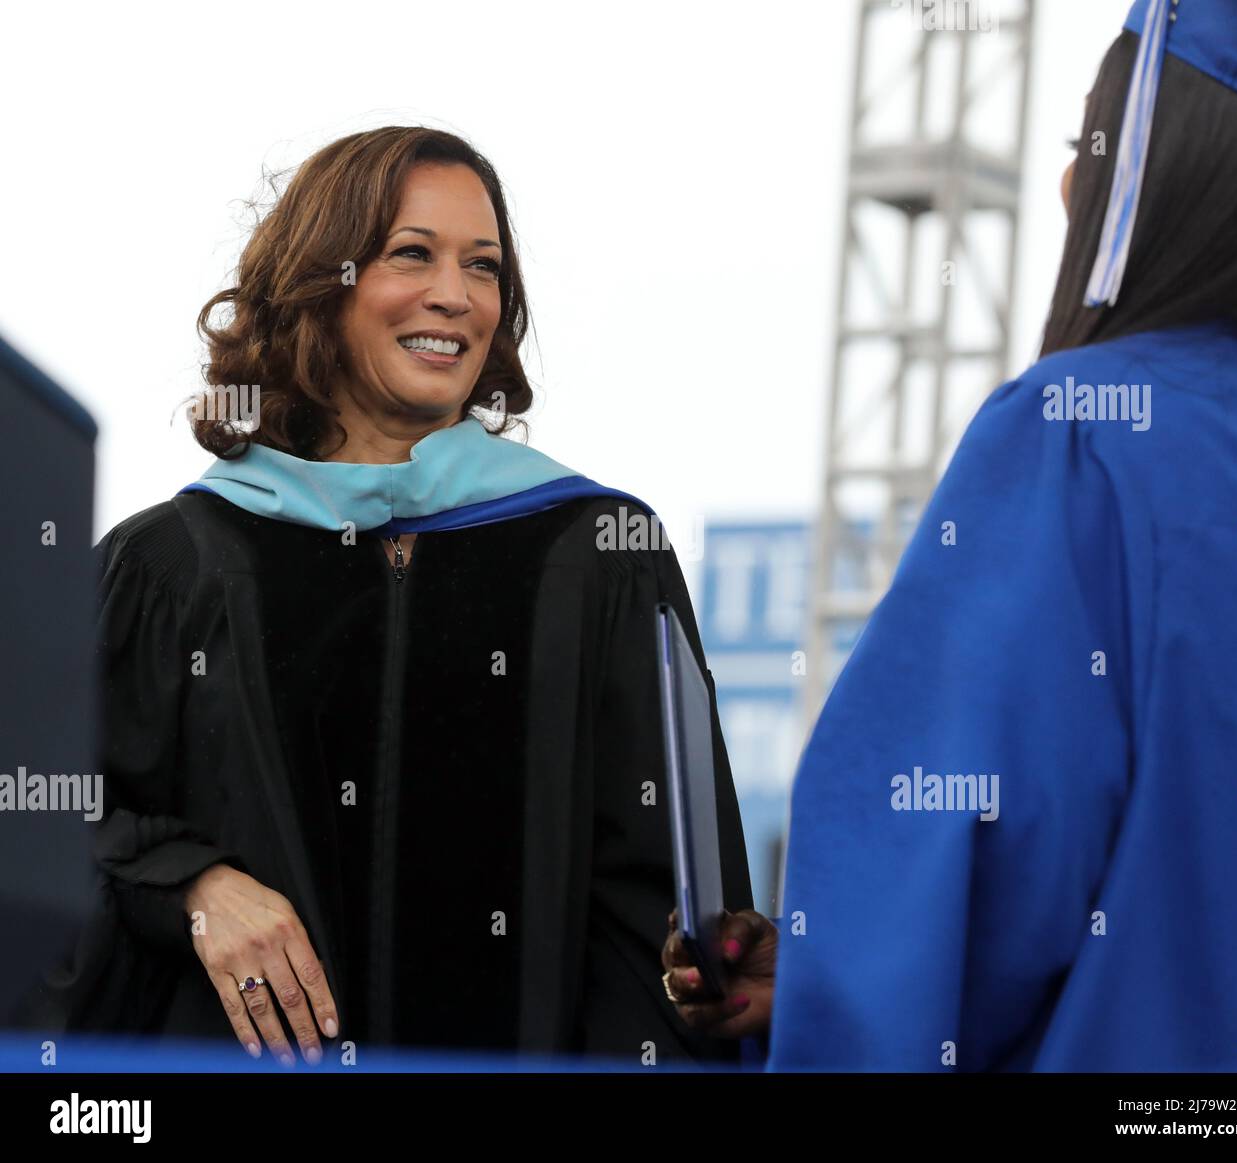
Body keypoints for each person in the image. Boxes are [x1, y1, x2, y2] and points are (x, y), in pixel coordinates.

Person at [21, 125, 752, 1066]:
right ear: (323, 280)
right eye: (414, 254)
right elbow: (45, 821)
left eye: (483, 267)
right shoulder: (172, 564)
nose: (455, 294)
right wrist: (192, 887)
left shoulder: (598, 554)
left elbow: (670, 927)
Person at [663, 0, 1237, 1070]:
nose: (1066, 183)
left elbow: (969, 863)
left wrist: (851, 967)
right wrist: (819, 966)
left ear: (1150, 179)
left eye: (1085, 148)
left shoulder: (1087, 435)